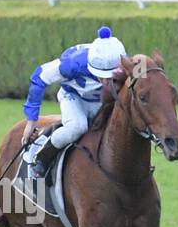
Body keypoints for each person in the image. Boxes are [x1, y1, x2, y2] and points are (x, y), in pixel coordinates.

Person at [21, 26, 126, 179]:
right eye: (100, 75)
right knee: (78, 126)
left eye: (111, 77)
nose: (106, 81)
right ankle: (42, 158)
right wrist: (31, 123)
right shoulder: (73, 64)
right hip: (74, 97)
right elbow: (39, 77)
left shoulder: (127, 64)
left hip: (103, 101)